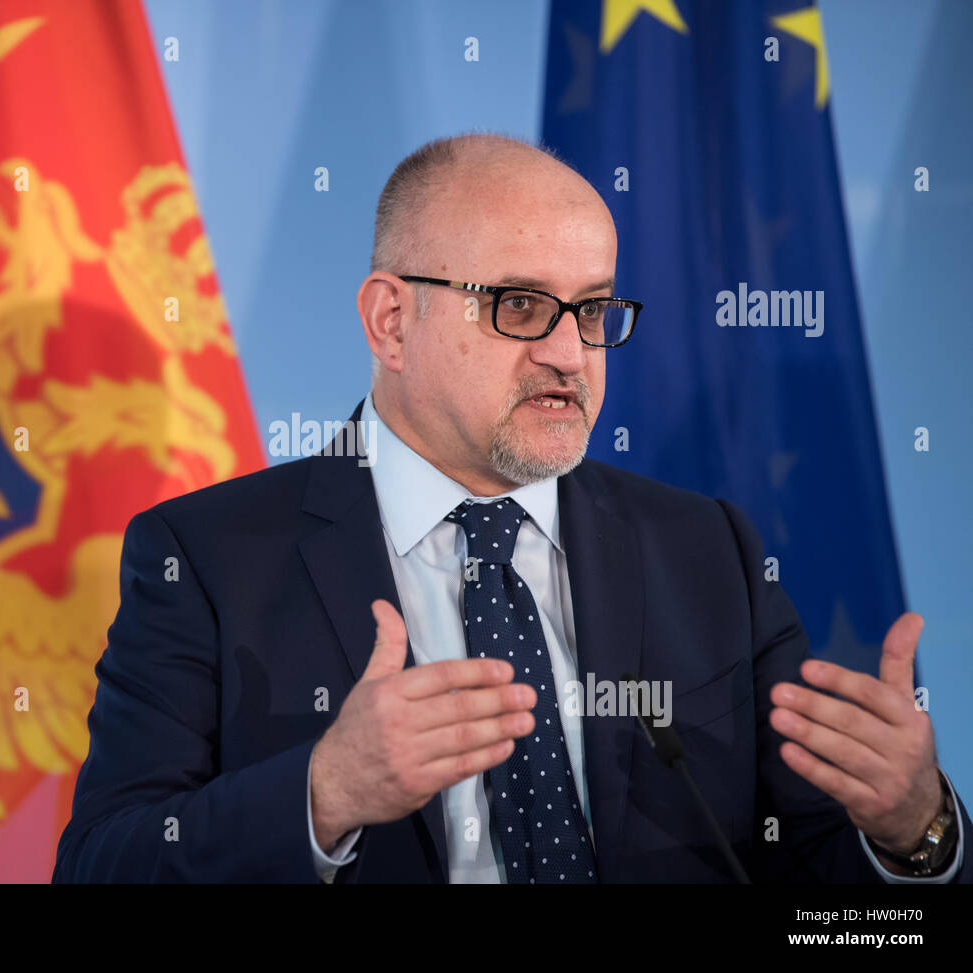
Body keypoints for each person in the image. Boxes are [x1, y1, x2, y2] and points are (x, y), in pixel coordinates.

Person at [53, 133, 967, 883]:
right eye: (521, 305)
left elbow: (817, 873)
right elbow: (102, 863)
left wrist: (913, 833)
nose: (571, 353)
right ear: (390, 322)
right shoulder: (209, 560)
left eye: (593, 310)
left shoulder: (706, 550)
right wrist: (324, 795)